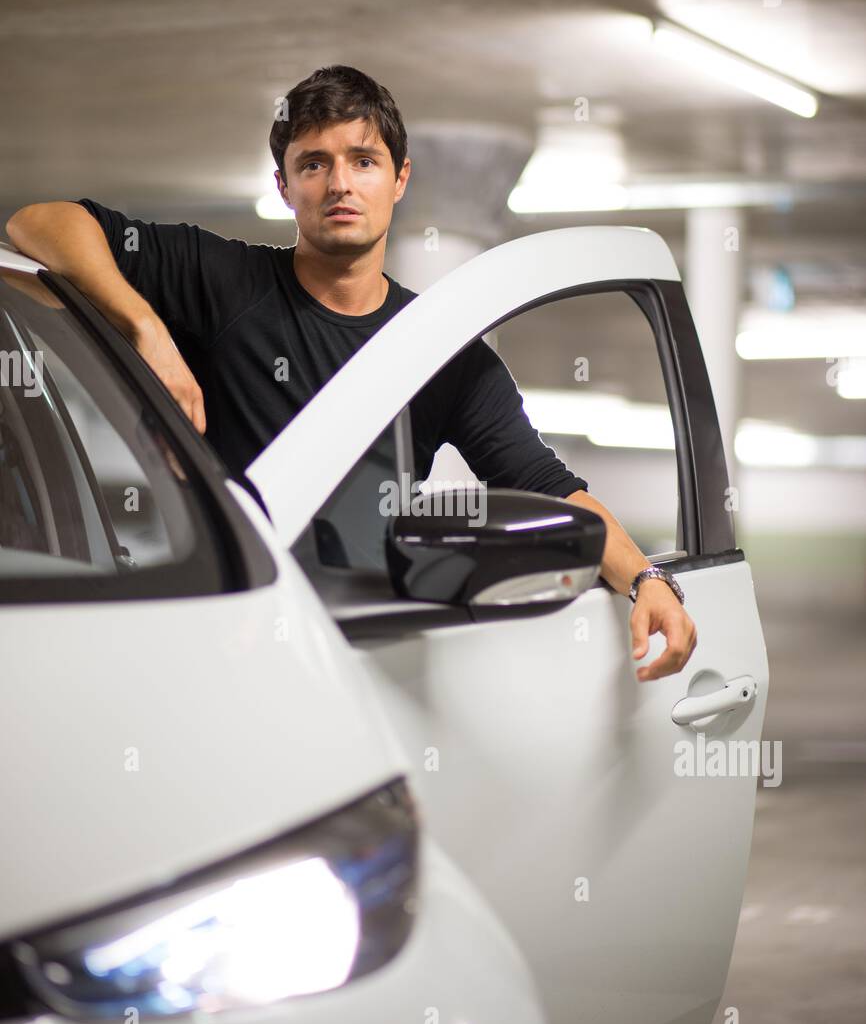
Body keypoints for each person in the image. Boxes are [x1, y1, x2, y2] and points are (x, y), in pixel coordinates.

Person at [6, 64, 696, 680]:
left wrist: (647, 580)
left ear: (399, 178)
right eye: (313, 164)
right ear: (284, 186)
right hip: (228, 628)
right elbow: (40, 223)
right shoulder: (224, 281)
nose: (339, 183)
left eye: (363, 161)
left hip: (363, 652)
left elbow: (550, 489)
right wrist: (146, 326)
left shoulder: (442, 353)